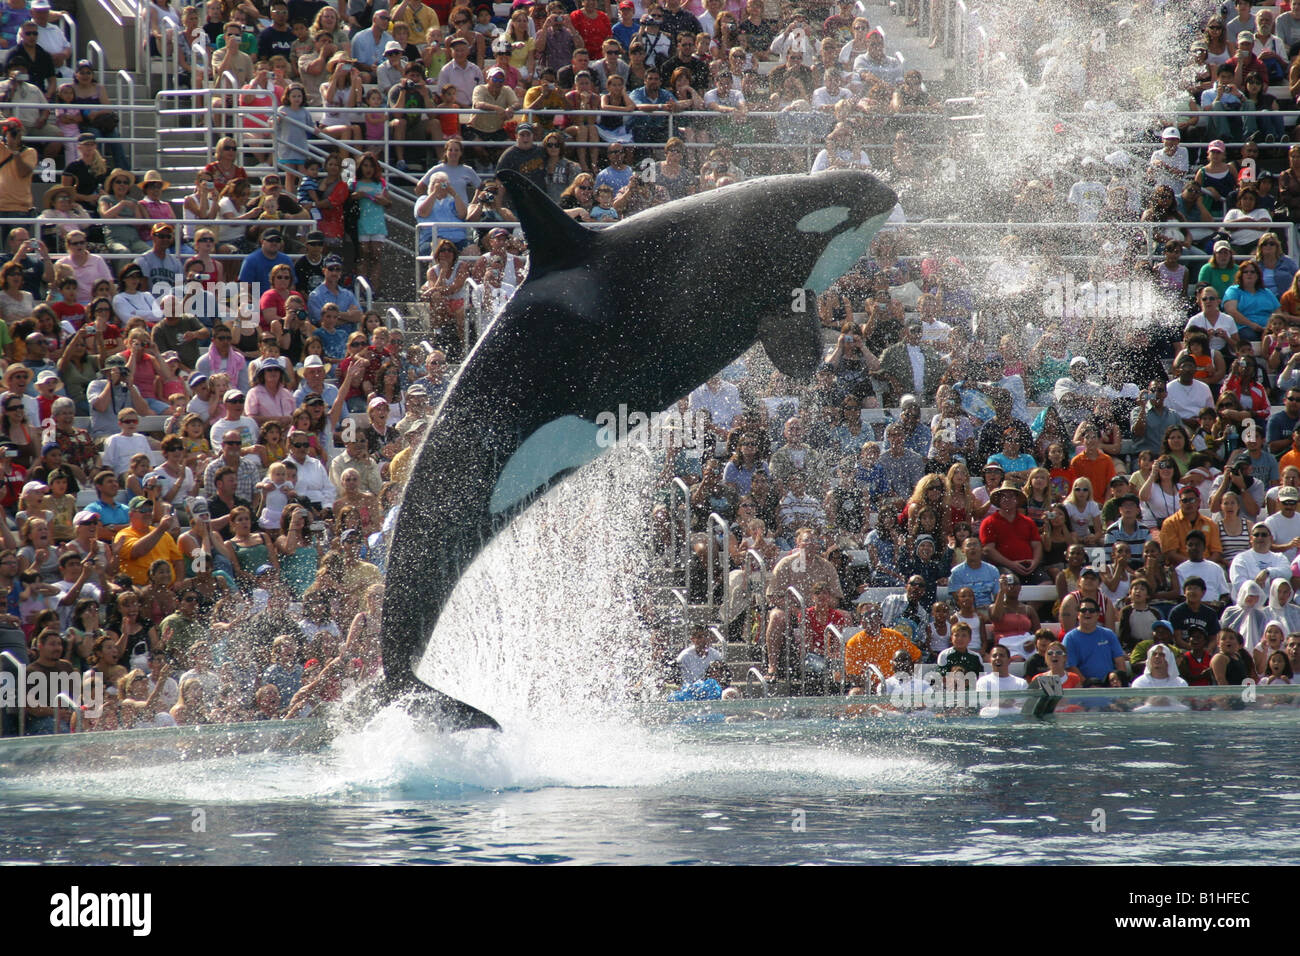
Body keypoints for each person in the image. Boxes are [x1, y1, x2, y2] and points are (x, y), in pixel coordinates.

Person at [1063, 599, 1128, 685]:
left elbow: (1119, 661)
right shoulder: (1070, 638)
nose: (1087, 613)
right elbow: (1071, 667)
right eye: (1083, 610)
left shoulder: (1109, 634)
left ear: (1098, 615)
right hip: (1084, 688)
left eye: (1091, 610)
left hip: (1110, 686)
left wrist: (1121, 683)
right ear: (1078, 614)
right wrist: (1089, 685)